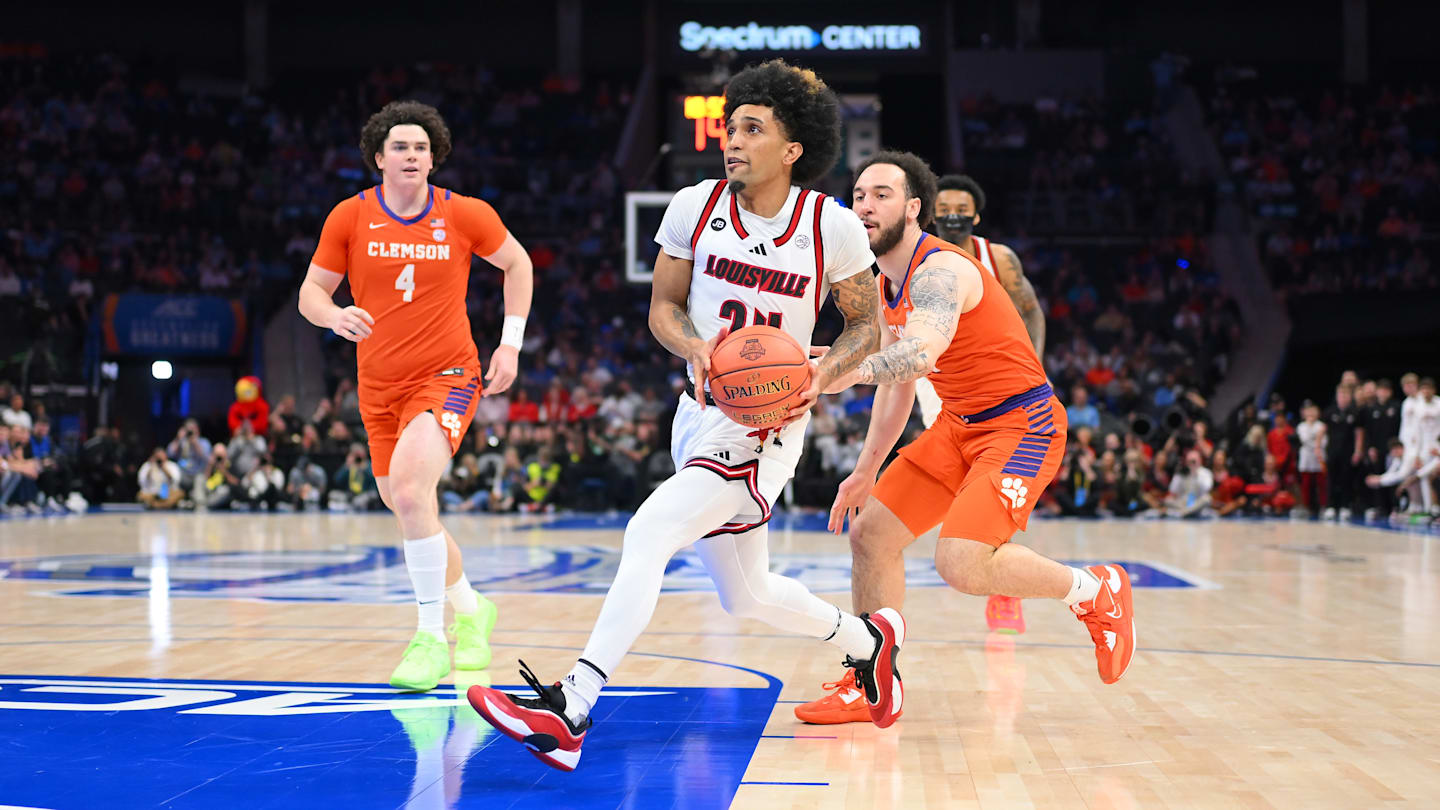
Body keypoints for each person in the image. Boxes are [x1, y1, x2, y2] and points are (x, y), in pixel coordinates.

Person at [468, 59, 903, 771]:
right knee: (747, 595)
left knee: (649, 533)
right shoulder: (693, 207)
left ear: (792, 149)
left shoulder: (832, 226)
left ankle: (570, 707)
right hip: (696, 413)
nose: (733, 140)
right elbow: (663, 308)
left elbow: (865, 326)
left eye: (753, 129)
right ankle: (871, 643)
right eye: (731, 127)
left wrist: (822, 374)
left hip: (766, 427)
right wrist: (694, 344)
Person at [797, 150, 1135, 726]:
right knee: (870, 535)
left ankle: (1092, 590)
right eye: (858, 196)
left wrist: (841, 371)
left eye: (881, 195)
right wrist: (865, 470)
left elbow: (918, 354)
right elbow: (898, 388)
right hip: (959, 425)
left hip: (1023, 424)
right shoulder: (883, 284)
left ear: (914, 208)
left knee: (960, 562)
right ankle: (870, 679)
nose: (865, 206)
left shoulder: (941, 271)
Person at [299, 100, 534, 690]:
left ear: (434, 159)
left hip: (448, 375)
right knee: (408, 505)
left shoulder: (464, 213)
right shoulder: (349, 216)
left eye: (421, 147)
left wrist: (509, 345)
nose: (412, 155)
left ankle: (431, 639)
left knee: (408, 491)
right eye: (400, 146)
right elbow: (310, 294)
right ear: (379, 158)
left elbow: (518, 264)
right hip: (379, 385)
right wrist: (334, 316)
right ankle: (473, 609)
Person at [930, 173, 1049, 635]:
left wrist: (1034, 366)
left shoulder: (998, 258)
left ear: (976, 216)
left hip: (997, 386)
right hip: (936, 380)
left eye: (961, 209)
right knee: (954, 478)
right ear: (930, 212)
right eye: (945, 208)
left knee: (996, 483)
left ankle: (1002, 587)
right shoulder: (915, 257)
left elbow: (1032, 309)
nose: (952, 216)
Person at [1321, 385, 1361, 521]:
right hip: (1332, 450)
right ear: (1337, 396)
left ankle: (1345, 506)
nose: (1343, 398)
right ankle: (1330, 506)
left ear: (1350, 397)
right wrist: (1318, 448)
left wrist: (1358, 450)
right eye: (1341, 395)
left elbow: (1359, 433)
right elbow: (1322, 430)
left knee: (1346, 479)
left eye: (1346, 395)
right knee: (1331, 479)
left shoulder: (1354, 412)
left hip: (1348, 451)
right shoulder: (1329, 411)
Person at [1295, 400, 1327, 517]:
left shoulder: (1322, 425)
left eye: (1313, 411)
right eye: (1308, 411)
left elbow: (1324, 442)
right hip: (1306, 459)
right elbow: (1304, 440)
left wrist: (1316, 443)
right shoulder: (1301, 426)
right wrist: (1316, 440)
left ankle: (1323, 506)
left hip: (1319, 458)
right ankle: (1306, 506)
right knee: (1306, 485)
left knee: (1321, 484)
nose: (1311, 414)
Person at [1163, 449, 1215, 518]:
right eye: (1189, 461)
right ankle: (1188, 511)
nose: (1191, 464)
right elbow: (1173, 489)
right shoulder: (1181, 472)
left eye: (1194, 461)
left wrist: (1196, 473)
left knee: (1207, 499)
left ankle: (1183, 512)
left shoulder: (1205, 473)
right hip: (1183, 502)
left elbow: (1207, 488)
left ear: (1200, 460)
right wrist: (1179, 475)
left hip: (1197, 501)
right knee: (1167, 500)